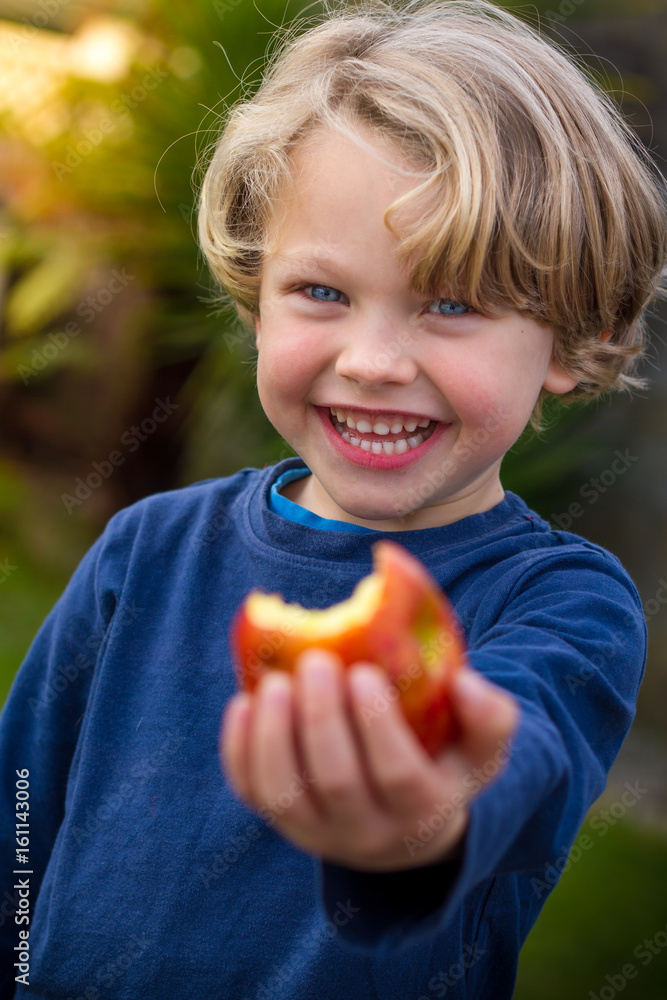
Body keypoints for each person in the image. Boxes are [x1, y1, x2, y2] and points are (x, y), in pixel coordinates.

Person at [1, 0, 666, 997]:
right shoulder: (146, 550)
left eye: (451, 304)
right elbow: (21, 804)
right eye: (321, 292)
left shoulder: (560, 603)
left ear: (568, 344)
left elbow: (510, 766)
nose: (373, 360)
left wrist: (420, 820)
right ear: (255, 292)